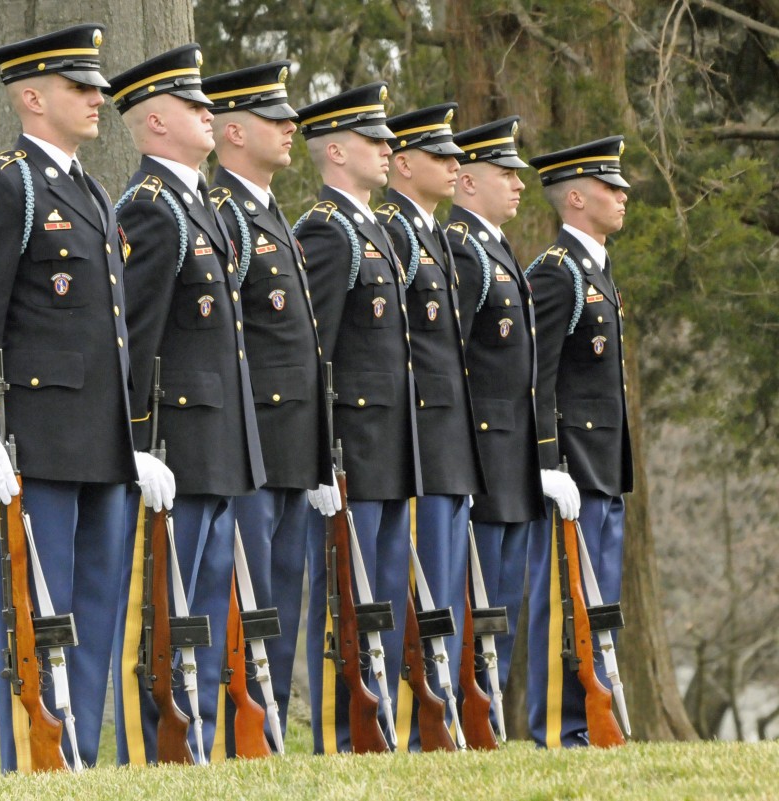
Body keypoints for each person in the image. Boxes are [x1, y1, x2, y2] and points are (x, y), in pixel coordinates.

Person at [0, 23, 165, 771]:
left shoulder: (92, 189)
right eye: (79, 86)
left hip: (98, 436)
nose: (98, 98)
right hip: (33, 436)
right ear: (32, 97)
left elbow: (114, 333)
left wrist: (133, 436)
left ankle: (80, 758)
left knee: (95, 610)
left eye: (97, 86)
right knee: (40, 615)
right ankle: (39, 761)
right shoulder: (6, 184)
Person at [106, 44, 266, 764]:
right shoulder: (149, 210)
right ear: (158, 120)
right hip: (176, 444)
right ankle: (162, 743)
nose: (211, 115)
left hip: (218, 441)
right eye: (197, 105)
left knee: (203, 608)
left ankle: (196, 738)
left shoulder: (196, 206)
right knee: (170, 613)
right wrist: (138, 442)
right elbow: (132, 341)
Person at [201, 60, 334, 751]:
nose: (289, 129)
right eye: (272, 119)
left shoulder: (270, 214)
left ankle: (271, 725)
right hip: (250, 440)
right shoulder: (224, 215)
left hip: (290, 443)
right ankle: (241, 728)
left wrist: (321, 450)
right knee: (246, 600)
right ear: (231, 131)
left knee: (280, 595)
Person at [293, 82, 421, 754]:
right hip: (351, 448)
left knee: (383, 601)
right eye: (375, 141)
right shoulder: (327, 229)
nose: (388, 149)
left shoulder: (372, 228)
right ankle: (343, 732)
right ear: (337, 151)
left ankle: (379, 724)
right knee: (346, 600)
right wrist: (321, 453)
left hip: (391, 447)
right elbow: (312, 352)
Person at [445, 117, 580, 725]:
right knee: (479, 598)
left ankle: (491, 714)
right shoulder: (463, 249)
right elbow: (456, 361)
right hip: (483, 455)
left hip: (515, 457)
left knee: (504, 599)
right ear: (467, 182)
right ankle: (472, 713)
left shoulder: (496, 246)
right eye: (505, 174)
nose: (519, 185)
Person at [377, 102, 485, 749]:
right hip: (416, 433)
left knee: (442, 592)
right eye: (441, 156)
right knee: (414, 589)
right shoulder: (393, 230)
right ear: (405, 162)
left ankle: (438, 715)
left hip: (448, 437)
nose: (455, 165)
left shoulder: (436, 236)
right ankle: (413, 721)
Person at [524, 135, 633, 748]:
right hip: (571, 466)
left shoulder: (596, 268)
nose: (621, 197)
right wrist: (544, 460)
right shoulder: (557, 272)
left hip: (603, 465)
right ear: (574, 197)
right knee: (563, 602)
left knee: (600, 603)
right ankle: (556, 727)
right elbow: (534, 376)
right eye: (609, 187)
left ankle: (595, 720)